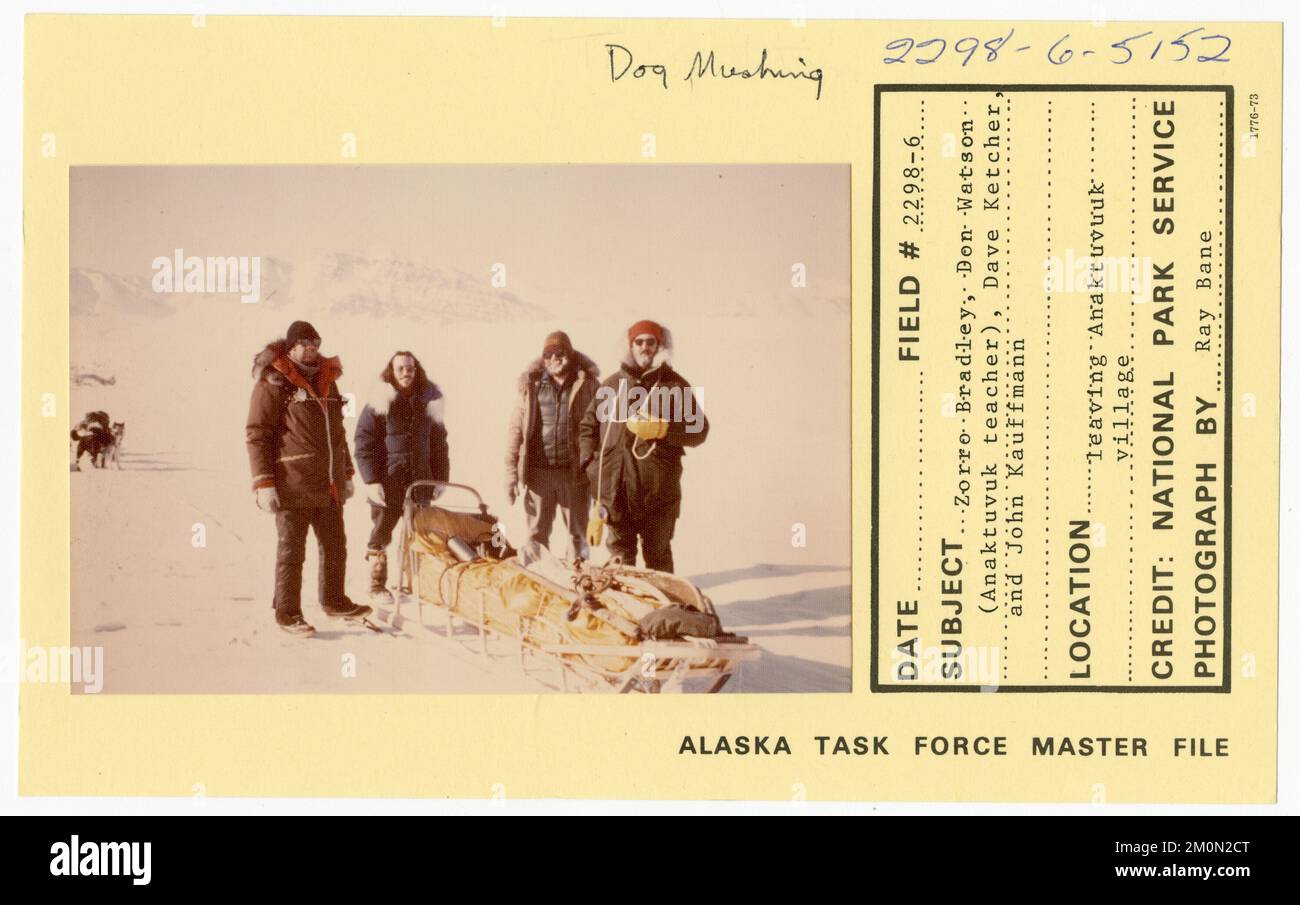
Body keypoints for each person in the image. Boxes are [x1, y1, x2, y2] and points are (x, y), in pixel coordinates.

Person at [246, 320, 369, 637]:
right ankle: (287, 613)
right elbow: (258, 434)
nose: (312, 350)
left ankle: (334, 600)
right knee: (292, 552)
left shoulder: (327, 380)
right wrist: (264, 483)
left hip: (328, 483)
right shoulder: (275, 380)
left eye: (316, 344)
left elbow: (338, 432)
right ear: (291, 347)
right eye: (305, 344)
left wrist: (346, 472)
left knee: (335, 545)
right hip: (293, 483)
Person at [578, 319, 708, 573]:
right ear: (630, 345)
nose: (644, 347)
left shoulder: (674, 385)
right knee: (620, 565)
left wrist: (664, 430)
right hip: (617, 494)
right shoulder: (611, 385)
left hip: (657, 496)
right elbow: (587, 428)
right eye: (639, 342)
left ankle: (662, 600)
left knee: (657, 562)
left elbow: (700, 430)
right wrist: (590, 467)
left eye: (651, 341)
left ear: (660, 345)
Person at [353, 351, 450, 605]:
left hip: (420, 481)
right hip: (389, 481)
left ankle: (416, 582)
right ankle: (376, 584)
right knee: (382, 531)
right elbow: (363, 442)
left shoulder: (428, 402)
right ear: (392, 372)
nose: (406, 373)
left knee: (420, 533)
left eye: (410, 368)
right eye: (401, 369)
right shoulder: (380, 401)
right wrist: (371, 480)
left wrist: (440, 478)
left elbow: (439, 444)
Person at [504, 331, 600, 561]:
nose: (554, 358)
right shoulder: (532, 386)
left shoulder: (588, 385)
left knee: (578, 537)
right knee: (536, 537)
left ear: (570, 354)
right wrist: (511, 475)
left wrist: (597, 474)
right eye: (548, 354)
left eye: (559, 353)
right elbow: (516, 431)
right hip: (539, 475)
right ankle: (536, 578)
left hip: (574, 475)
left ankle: (578, 578)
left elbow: (601, 430)